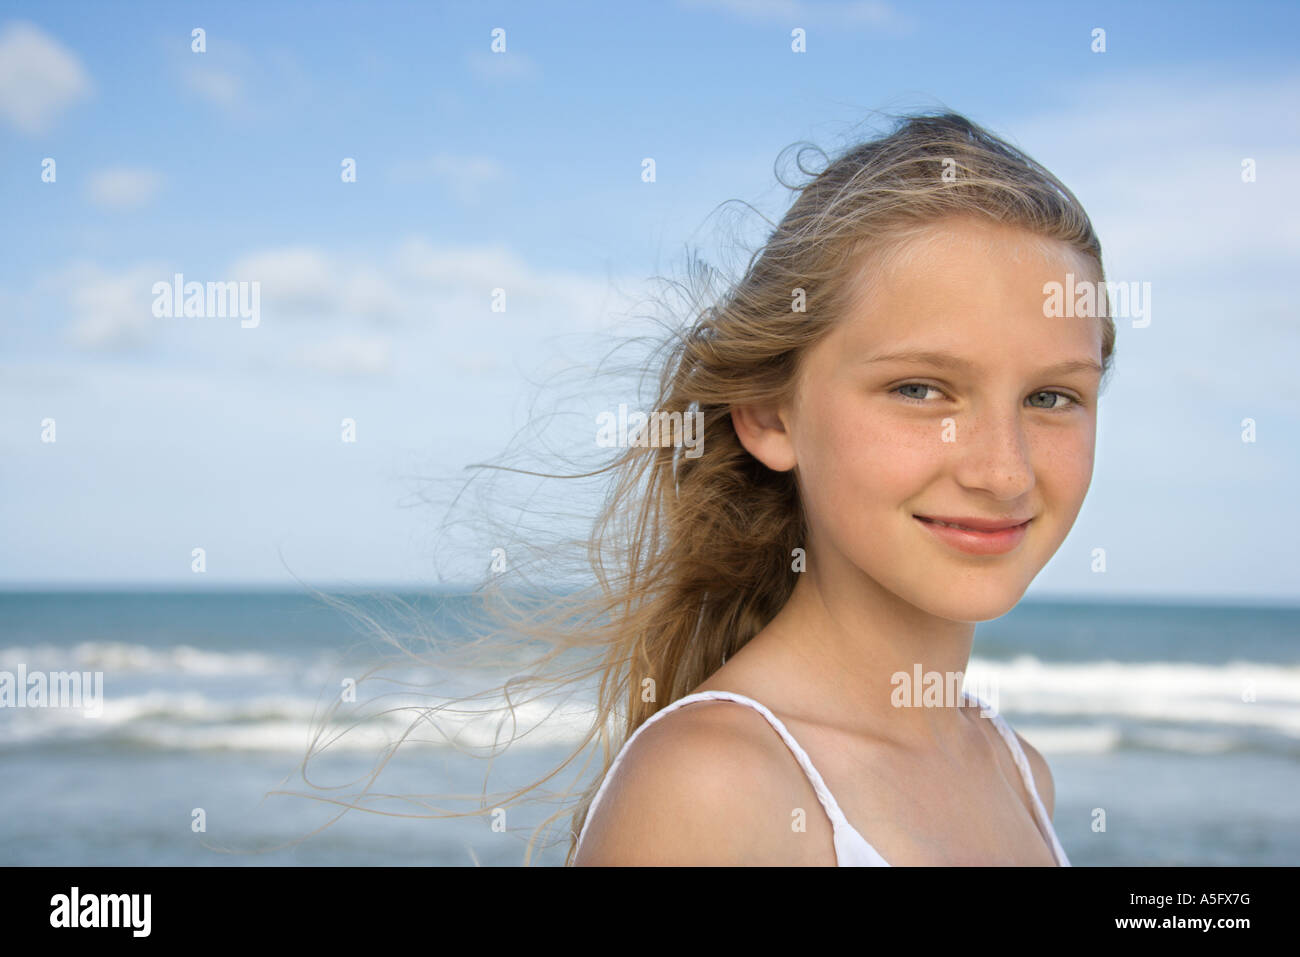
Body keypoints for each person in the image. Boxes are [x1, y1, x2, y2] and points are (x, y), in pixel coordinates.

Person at [568, 111, 1113, 865]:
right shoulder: (709, 789)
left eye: (1051, 397)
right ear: (769, 414)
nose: (1003, 470)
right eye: (921, 389)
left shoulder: (1019, 775)